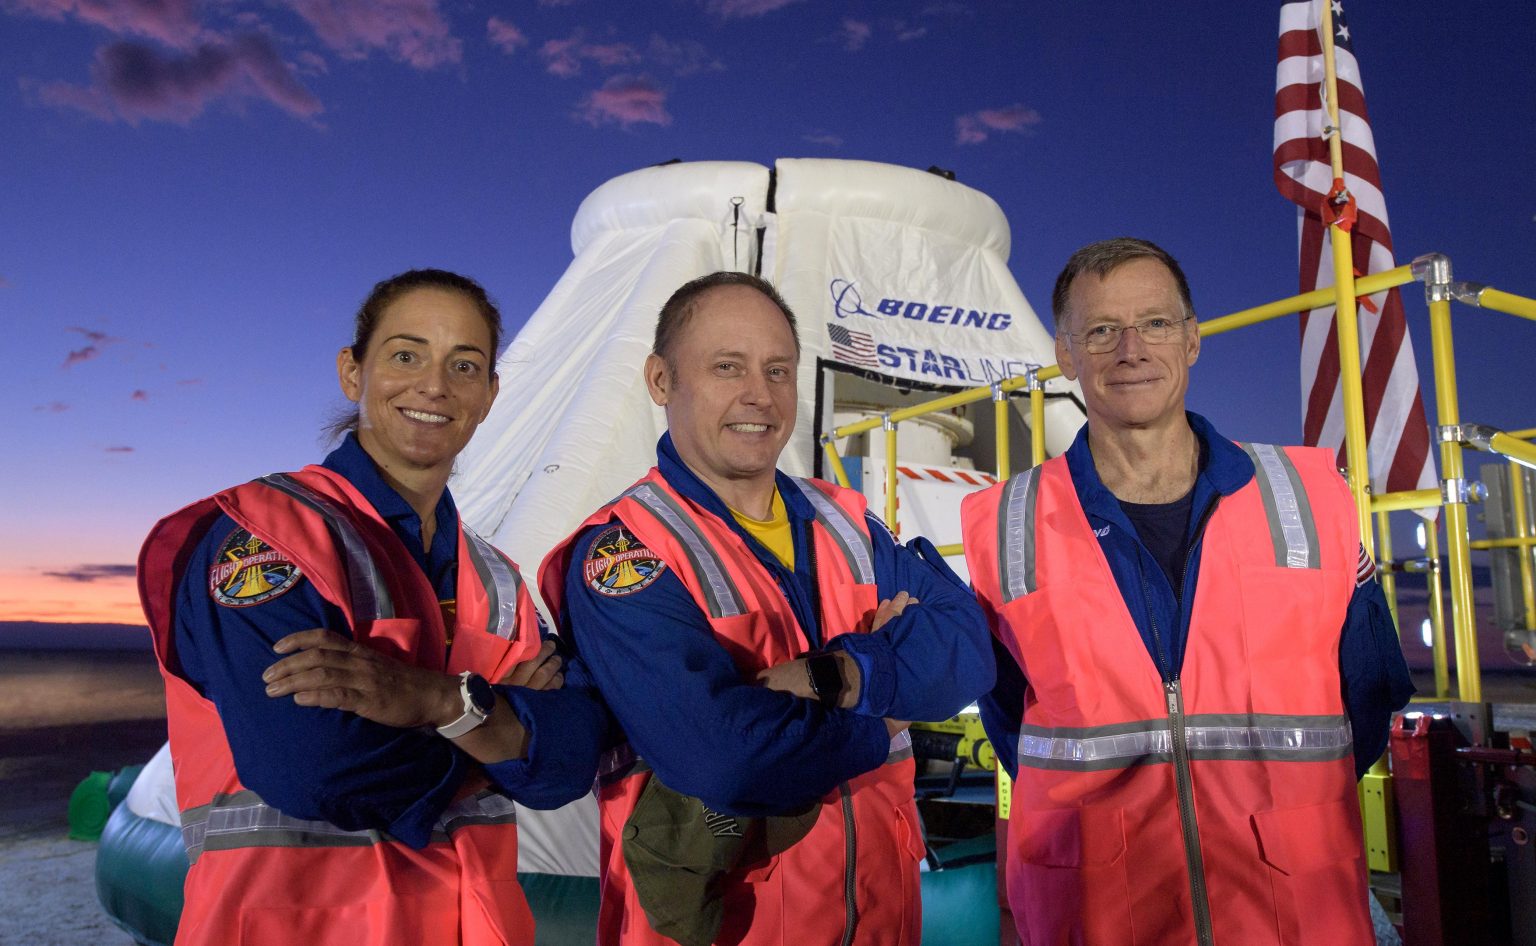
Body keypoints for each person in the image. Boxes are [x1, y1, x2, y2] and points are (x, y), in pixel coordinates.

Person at [960, 238, 1415, 946]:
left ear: (1193, 339)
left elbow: (1369, 693)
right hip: (1102, 915)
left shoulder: (1307, 500)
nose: (1131, 350)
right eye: (1101, 330)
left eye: (1156, 323)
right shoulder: (1004, 525)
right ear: (1065, 355)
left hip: (1293, 914)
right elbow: (1011, 721)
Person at [139, 269, 605, 945]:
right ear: (352, 372)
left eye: (464, 365)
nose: (435, 386)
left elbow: (572, 759)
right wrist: (497, 743)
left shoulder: (495, 578)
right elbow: (315, 770)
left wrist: (434, 702)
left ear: (490, 395)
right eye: (406, 355)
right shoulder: (264, 540)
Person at [538, 271, 994, 946]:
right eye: (727, 367)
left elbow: (970, 649)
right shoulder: (626, 552)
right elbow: (725, 757)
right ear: (661, 381)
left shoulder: (847, 522)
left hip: (880, 919)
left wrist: (836, 677)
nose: (759, 394)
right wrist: (892, 706)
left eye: (778, 370)